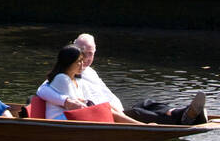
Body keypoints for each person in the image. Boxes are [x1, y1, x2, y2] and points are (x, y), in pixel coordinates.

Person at [40, 33, 207, 126]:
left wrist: (117, 107)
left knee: (147, 103)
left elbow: (106, 93)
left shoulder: (90, 72)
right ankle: (183, 119)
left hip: (114, 111)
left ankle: (183, 113)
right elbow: (43, 90)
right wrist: (66, 101)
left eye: (90, 53)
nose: (86, 58)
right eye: (82, 53)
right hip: (102, 116)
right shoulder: (65, 75)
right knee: (140, 113)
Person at [35, 45, 146, 124]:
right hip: (59, 120)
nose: (82, 64)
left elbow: (79, 101)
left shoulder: (75, 79)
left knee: (106, 106)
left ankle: (135, 126)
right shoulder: (62, 78)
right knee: (106, 110)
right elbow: (75, 106)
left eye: (82, 60)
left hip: (70, 117)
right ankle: (141, 126)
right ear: (68, 62)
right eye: (78, 61)